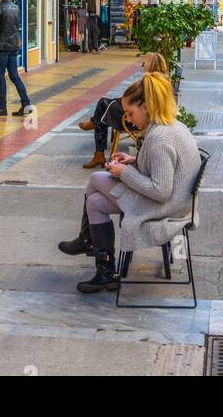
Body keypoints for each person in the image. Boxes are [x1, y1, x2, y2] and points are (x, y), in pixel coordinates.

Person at [57, 71, 202, 294]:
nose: (128, 119)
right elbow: (161, 168)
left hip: (166, 207)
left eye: (130, 113)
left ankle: (88, 241)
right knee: (95, 202)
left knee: (96, 178)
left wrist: (125, 172)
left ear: (145, 106)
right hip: (176, 201)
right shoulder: (170, 126)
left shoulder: (159, 138)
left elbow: (161, 190)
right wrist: (134, 160)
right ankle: (105, 272)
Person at [76, 52, 168, 170]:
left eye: (144, 64)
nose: (143, 66)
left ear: (151, 66)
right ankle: (97, 139)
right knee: (105, 104)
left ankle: (98, 149)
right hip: (137, 116)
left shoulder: (150, 84)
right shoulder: (162, 81)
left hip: (134, 120)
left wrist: (124, 172)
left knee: (103, 107)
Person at [0, 0, 33, 117]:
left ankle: (2, 107)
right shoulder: (16, 8)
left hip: (1, 48)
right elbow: (16, 27)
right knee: (14, 76)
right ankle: (26, 104)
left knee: (0, 77)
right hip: (13, 47)